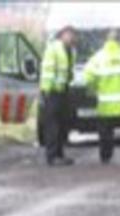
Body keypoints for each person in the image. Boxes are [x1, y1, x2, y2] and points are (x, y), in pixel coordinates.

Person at [84, 29, 120, 164]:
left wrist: (95, 88)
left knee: (105, 133)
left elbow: (88, 77)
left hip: (106, 106)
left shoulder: (98, 57)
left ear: (105, 40)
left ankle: (105, 156)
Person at [40, 25, 78, 166]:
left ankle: (60, 154)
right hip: (52, 92)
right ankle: (52, 156)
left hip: (63, 91)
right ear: (62, 35)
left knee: (62, 125)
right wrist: (47, 90)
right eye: (70, 35)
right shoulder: (54, 48)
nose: (72, 38)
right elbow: (48, 70)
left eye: (74, 36)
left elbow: (68, 71)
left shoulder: (70, 50)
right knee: (53, 125)